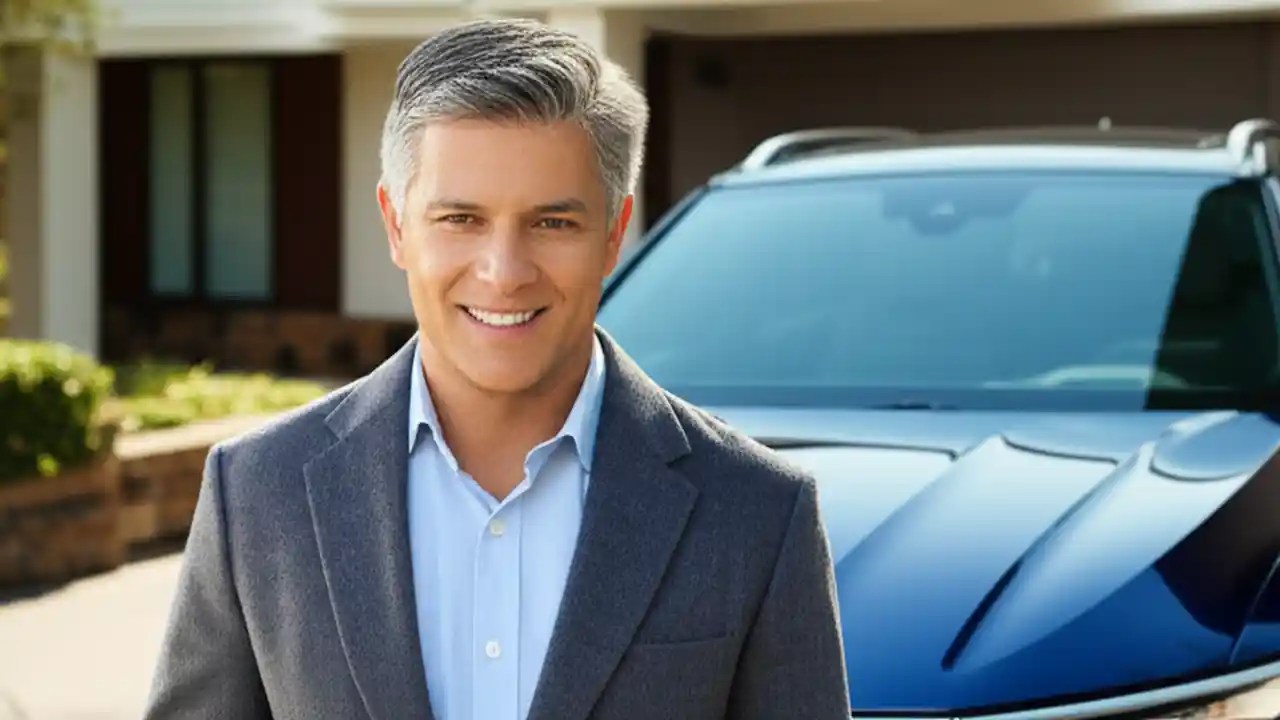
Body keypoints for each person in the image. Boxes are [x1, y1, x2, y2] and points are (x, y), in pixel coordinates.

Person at [143, 17, 849, 720]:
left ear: (613, 233)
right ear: (396, 225)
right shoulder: (259, 495)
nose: (504, 273)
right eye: (460, 219)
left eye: (552, 223)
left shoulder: (756, 511)